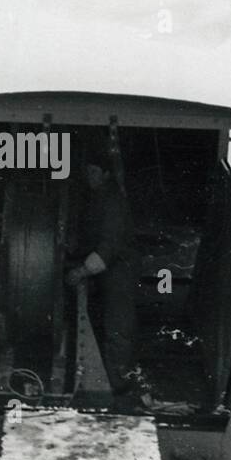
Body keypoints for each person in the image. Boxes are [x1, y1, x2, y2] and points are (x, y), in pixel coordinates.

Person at [65, 154, 141, 402]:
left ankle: (118, 386)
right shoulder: (98, 196)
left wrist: (81, 271)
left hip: (120, 272)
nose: (89, 177)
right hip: (108, 272)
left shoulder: (113, 201)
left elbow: (108, 247)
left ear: (106, 174)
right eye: (87, 172)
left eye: (94, 172)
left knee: (118, 328)